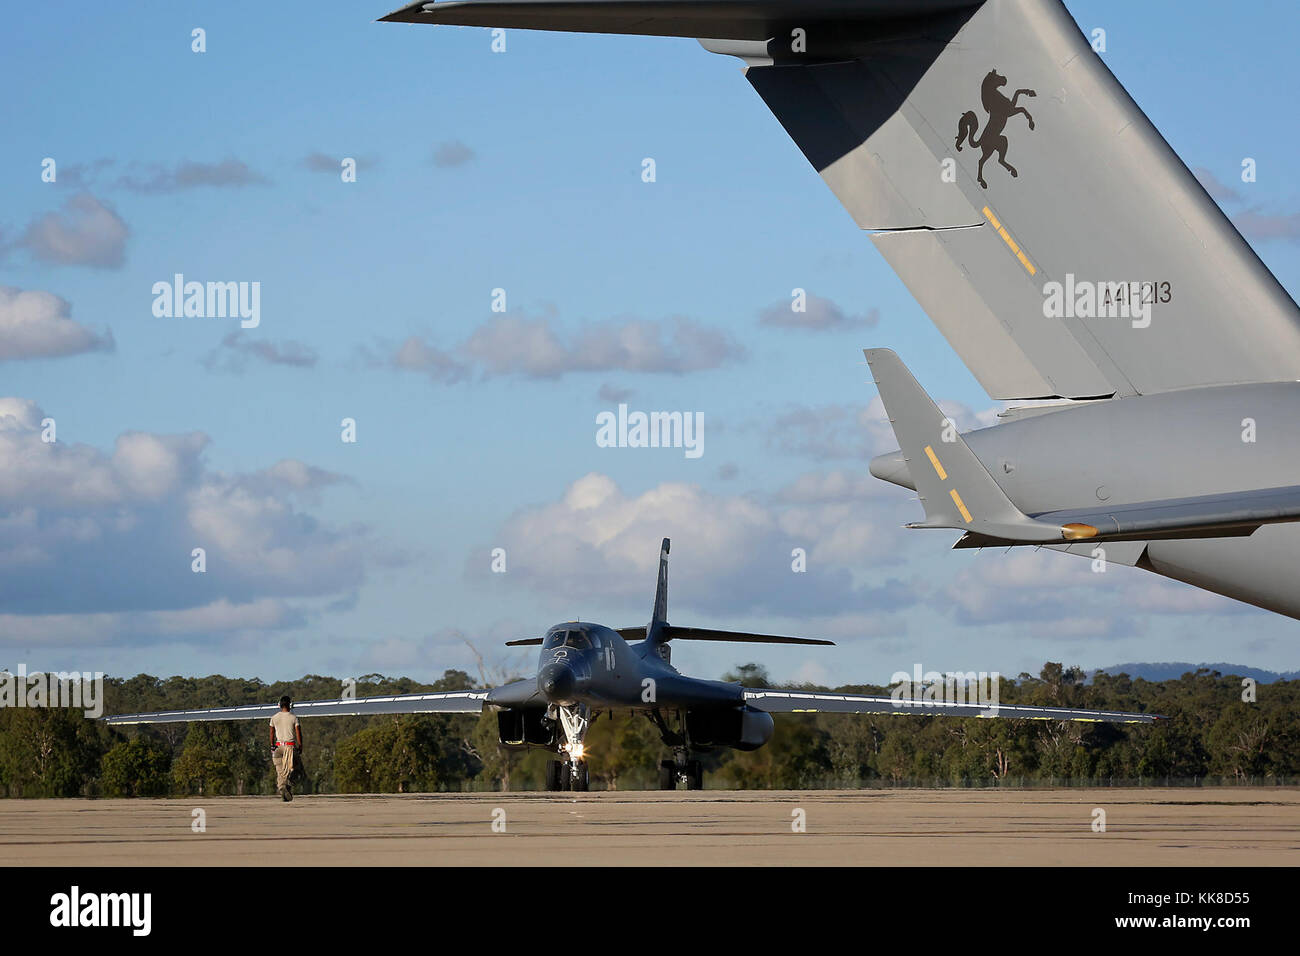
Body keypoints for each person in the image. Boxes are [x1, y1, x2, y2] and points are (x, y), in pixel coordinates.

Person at [269, 696, 302, 801]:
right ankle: (287, 786)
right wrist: (300, 746)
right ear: (289, 705)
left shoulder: (274, 718)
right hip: (289, 747)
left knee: (280, 772)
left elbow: (271, 733)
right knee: (295, 769)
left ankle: (282, 789)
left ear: (280, 705)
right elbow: (298, 733)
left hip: (278, 747)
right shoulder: (293, 717)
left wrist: (272, 745)